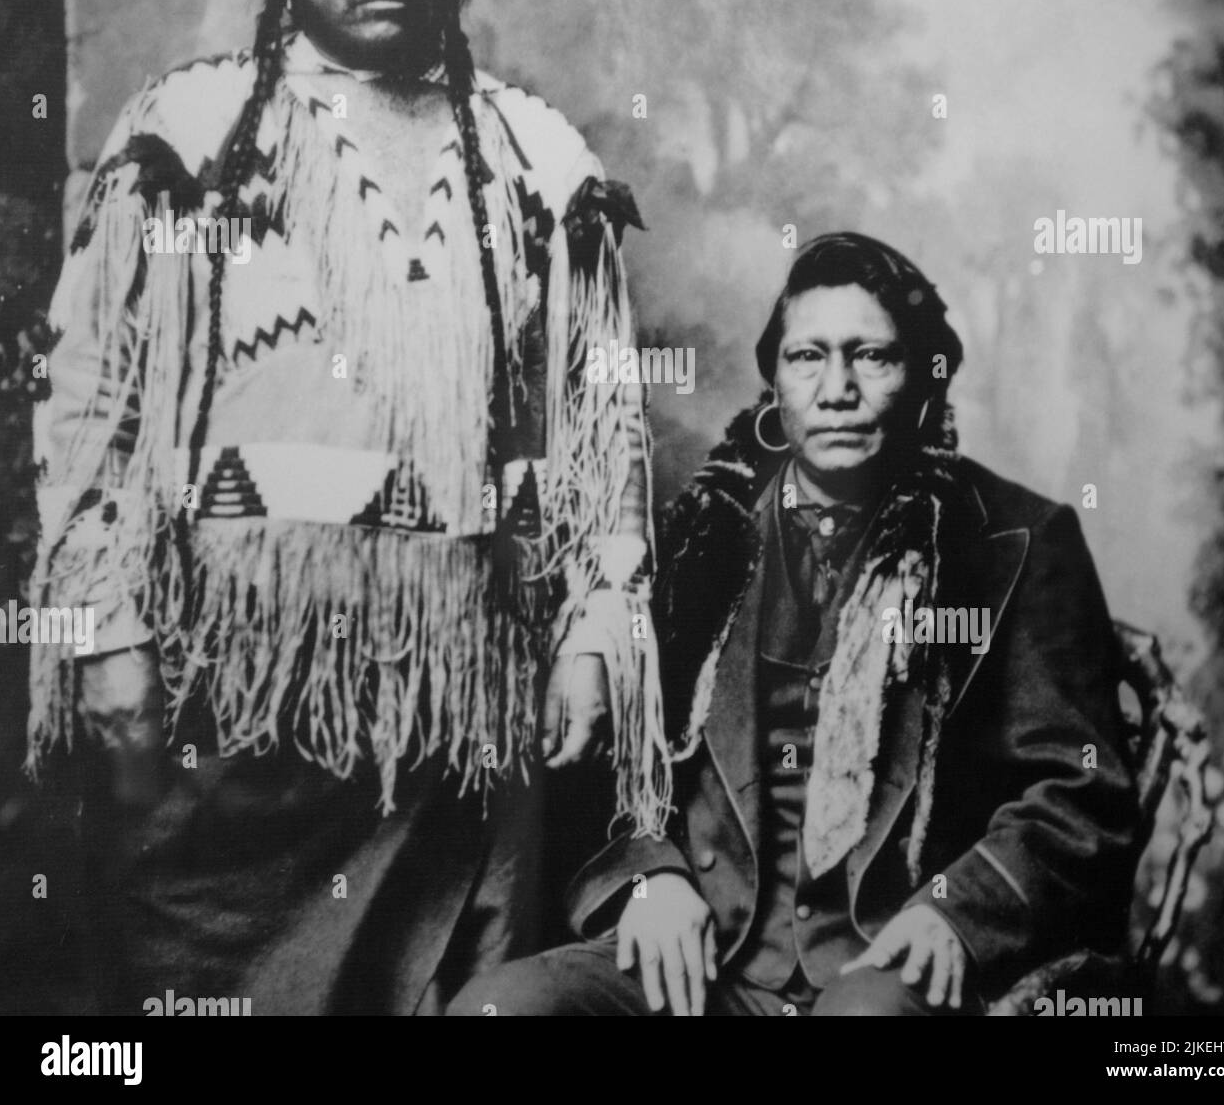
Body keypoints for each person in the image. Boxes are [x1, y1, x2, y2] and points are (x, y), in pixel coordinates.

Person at [27, 0, 666, 1015]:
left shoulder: (538, 161)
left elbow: (604, 429)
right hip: (228, 697)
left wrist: (597, 631)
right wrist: (102, 634)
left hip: (461, 702)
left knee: (443, 993)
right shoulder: (192, 134)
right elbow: (91, 411)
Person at [449, 231, 1142, 1016]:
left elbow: (1084, 790)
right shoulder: (707, 533)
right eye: (808, 356)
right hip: (704, 960)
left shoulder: (1012, 542)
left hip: (885, 962)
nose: (836, 386)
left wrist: (961, 908)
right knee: (500, 1008)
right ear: (775, 378)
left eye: (872, 357)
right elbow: (607, 754)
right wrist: (647, 875)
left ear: (923, 380)